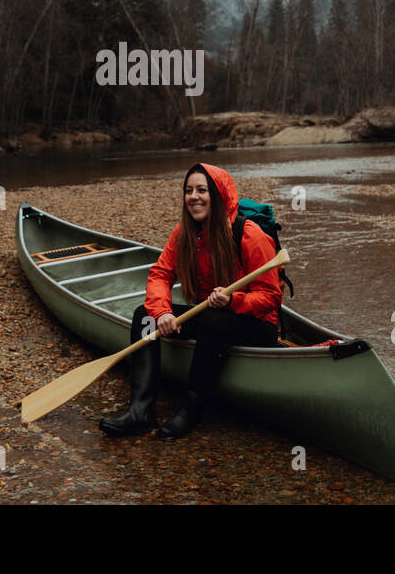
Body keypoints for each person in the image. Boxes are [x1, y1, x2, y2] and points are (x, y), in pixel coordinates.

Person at [100, 162, 282, 440]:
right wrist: (161, 313)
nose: (194, 197)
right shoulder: (184, 233)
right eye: (188, 191)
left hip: (257, 325)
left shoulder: (249, 235)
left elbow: (271, 297)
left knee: (214, 318)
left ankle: (194, 408)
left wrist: (233, 300)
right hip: (213, 316)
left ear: (218, 195)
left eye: (202, 190)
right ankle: (141, 411)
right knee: (144, 316)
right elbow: (160, 274)